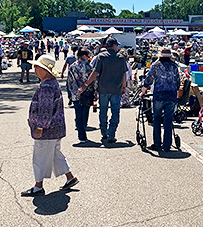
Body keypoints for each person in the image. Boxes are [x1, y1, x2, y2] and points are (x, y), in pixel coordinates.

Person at [22, 54, 78, 197]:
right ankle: (70, 177)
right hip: (56, 128)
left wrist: (40, 127)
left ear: (45, 70)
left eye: (37, 67)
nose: (35, 70)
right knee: (54, 154)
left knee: (40, 157)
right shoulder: (52, 83)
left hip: (47, 129)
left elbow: (45, 111)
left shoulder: (46, 86)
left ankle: (38, 186)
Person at [79, 37, 127, 144]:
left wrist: (86, 84)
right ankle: (112, 134)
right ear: (114, 45)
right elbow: (124, 74)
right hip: (116, 89)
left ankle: (104, 132)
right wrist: (124, 87)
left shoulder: (101, 57)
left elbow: (95, 73)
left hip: (103, 89)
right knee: (115, 111)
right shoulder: (121, 58)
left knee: (103, 111)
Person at [142, 48, 180, 153]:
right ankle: (167, 145)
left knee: (157, 119)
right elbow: (178, 81)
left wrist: (143, 91)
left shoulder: (156, 65)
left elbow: (148, 79)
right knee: (168, 121)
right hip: (171, 95)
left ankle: (157, 143)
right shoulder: (174, 66)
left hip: (159, 95)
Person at [67, 48, 94, 143]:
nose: (88, 58)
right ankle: (83, 130)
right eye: (88, 56)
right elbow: (93, 80)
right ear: (83, 56)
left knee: (78, 113)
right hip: (87, 92)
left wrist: (72, 91)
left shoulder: (72, 66)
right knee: (85, 112)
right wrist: (95, 91)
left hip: (76, 93)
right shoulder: (89, 67)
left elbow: (70, 80)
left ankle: (81, 135)